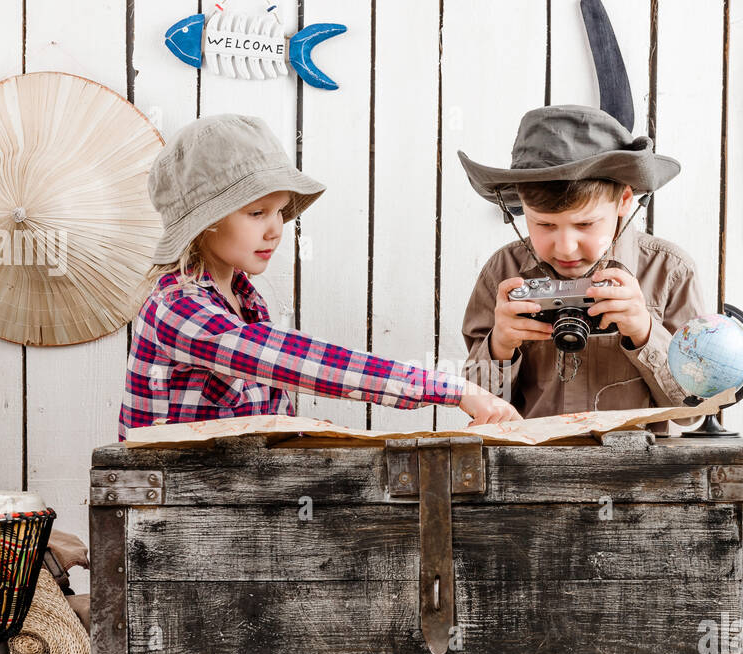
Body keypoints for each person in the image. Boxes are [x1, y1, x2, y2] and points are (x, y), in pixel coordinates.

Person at [118, 114, 519, 441]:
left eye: (279, 211)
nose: (275, 229)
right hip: (166, 513)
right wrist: (455, 389)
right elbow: (300, 362)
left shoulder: (243, 299)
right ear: (203, 223)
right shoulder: (178, 305)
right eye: (257, 213)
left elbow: (268, 418)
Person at [457, 105, 708, 431]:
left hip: (637, 476)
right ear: (521, 207)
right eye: (544, 224)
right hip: (529, 474)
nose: (565, 247)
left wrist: (645, 332)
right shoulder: (503, 272)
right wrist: (500, 346)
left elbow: (691, 411)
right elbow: (475, 405)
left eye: (586, 223)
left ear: (625, 201)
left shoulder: (669, 272)